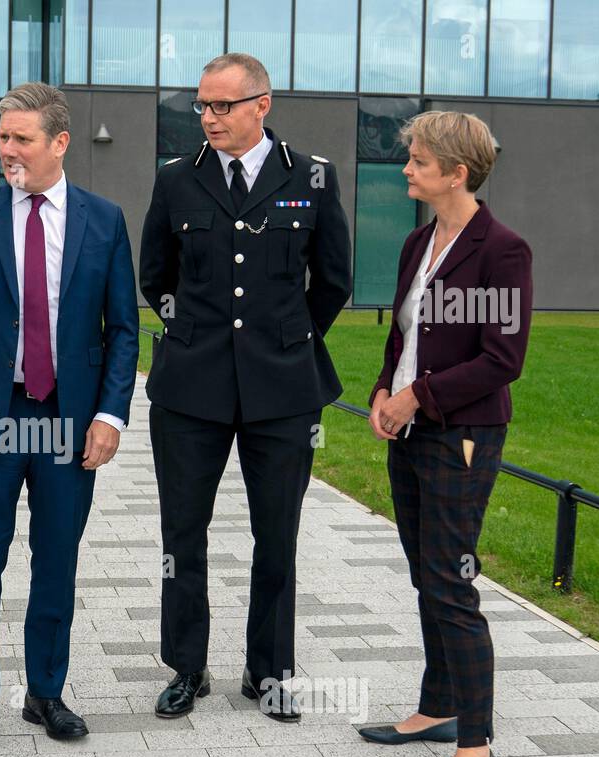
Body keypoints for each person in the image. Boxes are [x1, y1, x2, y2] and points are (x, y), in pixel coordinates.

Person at [0, 82, 139, 754]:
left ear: (60, 142)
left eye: (21, 138)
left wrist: (110, 415)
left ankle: (45, 692)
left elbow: (124, 330)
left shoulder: (104, 222)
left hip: (67, 423)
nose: (8, 150)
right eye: (2, 138)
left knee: (57, 562)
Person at [139, 53, 352, 721]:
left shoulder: (313, 178)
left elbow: (335, 279)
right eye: (201, 105)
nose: (207, 118)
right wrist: (197, 336)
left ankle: (271, 672)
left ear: (262, 104)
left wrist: (287, 340)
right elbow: (156, 277)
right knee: (183, 535)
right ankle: (186, 667)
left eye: (222, 106)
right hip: (189, 391)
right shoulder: (177, 180)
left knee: (277, 536)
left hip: (283, 390)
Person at [359, 111, 532, 757]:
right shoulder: (418, 242)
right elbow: (402, 336)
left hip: (461, 434)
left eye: (420, 162)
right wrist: (382, 390)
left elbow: (503, 358)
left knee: (451, 582)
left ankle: (475, 743)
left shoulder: (502, 249)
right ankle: (438, 705)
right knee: (426, 574)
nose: (407, 169)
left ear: (457, 173)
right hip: (409, 431)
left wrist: (417, 398)